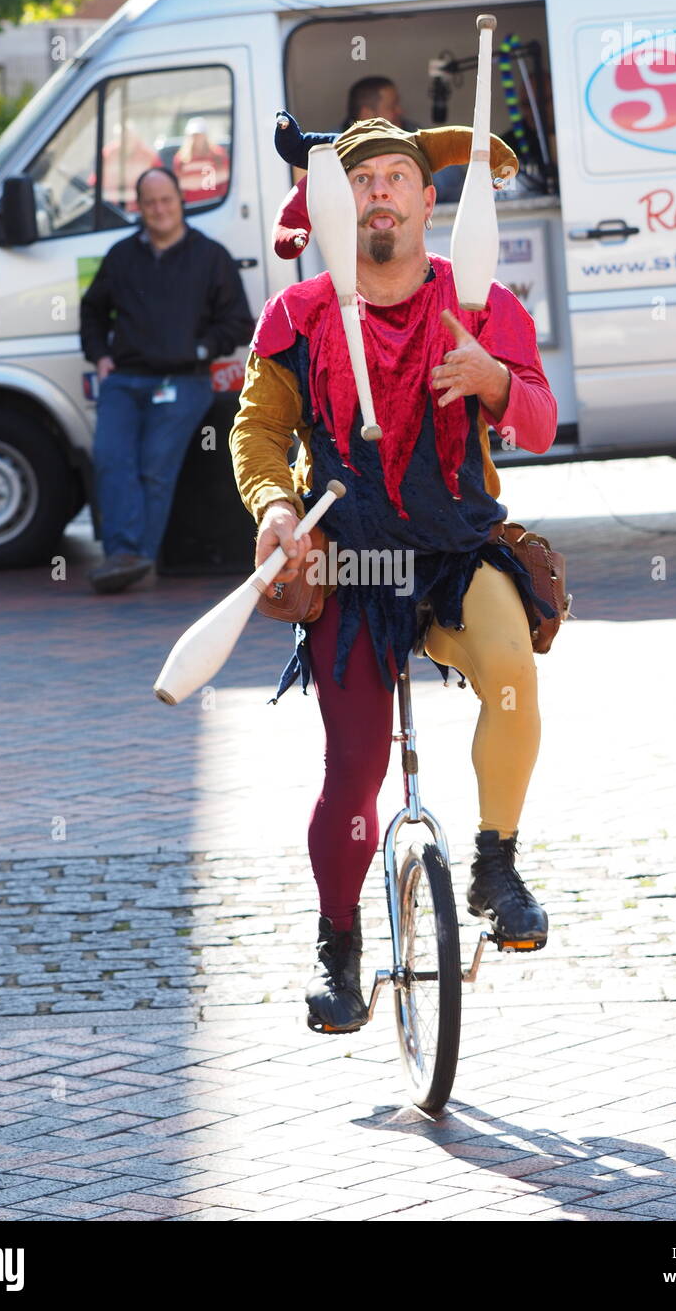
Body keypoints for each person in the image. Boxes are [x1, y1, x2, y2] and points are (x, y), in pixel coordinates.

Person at [229, 117, 558, 1034]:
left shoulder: (480, 299)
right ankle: (338, 944)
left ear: (425, 198)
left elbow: (536, 420)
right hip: (351, 562)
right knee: (354, 771)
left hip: (456, 551)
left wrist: (494, 380)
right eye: (360, 179)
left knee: (509, 674)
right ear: (340, 202)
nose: (378, 191)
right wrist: (275, 508)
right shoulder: (297, 316)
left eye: (395, 178)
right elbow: (255, 435)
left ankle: (496, 864)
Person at [81, 166, 254, 593]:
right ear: (139, 208)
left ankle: (137, 556)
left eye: (166, 201)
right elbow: (91, 311)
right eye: (150, 202)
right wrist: (100, 356)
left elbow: (238, 323)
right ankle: (124, 555)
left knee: (154, 465)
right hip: (124, 379)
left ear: (181, 202)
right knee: (111, 459)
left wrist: (197, 349)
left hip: (184, 382)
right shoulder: (121, 255)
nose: (159, 210)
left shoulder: (210, 256)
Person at [173, 117, 230, 205]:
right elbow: (178, 184)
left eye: (200, 134)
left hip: (216, 204)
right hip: (192, 206)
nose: (197, 138)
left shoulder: (218, 155)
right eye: (194, 135)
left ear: (205, 135)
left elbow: (227, 176)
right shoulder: (181, 158)